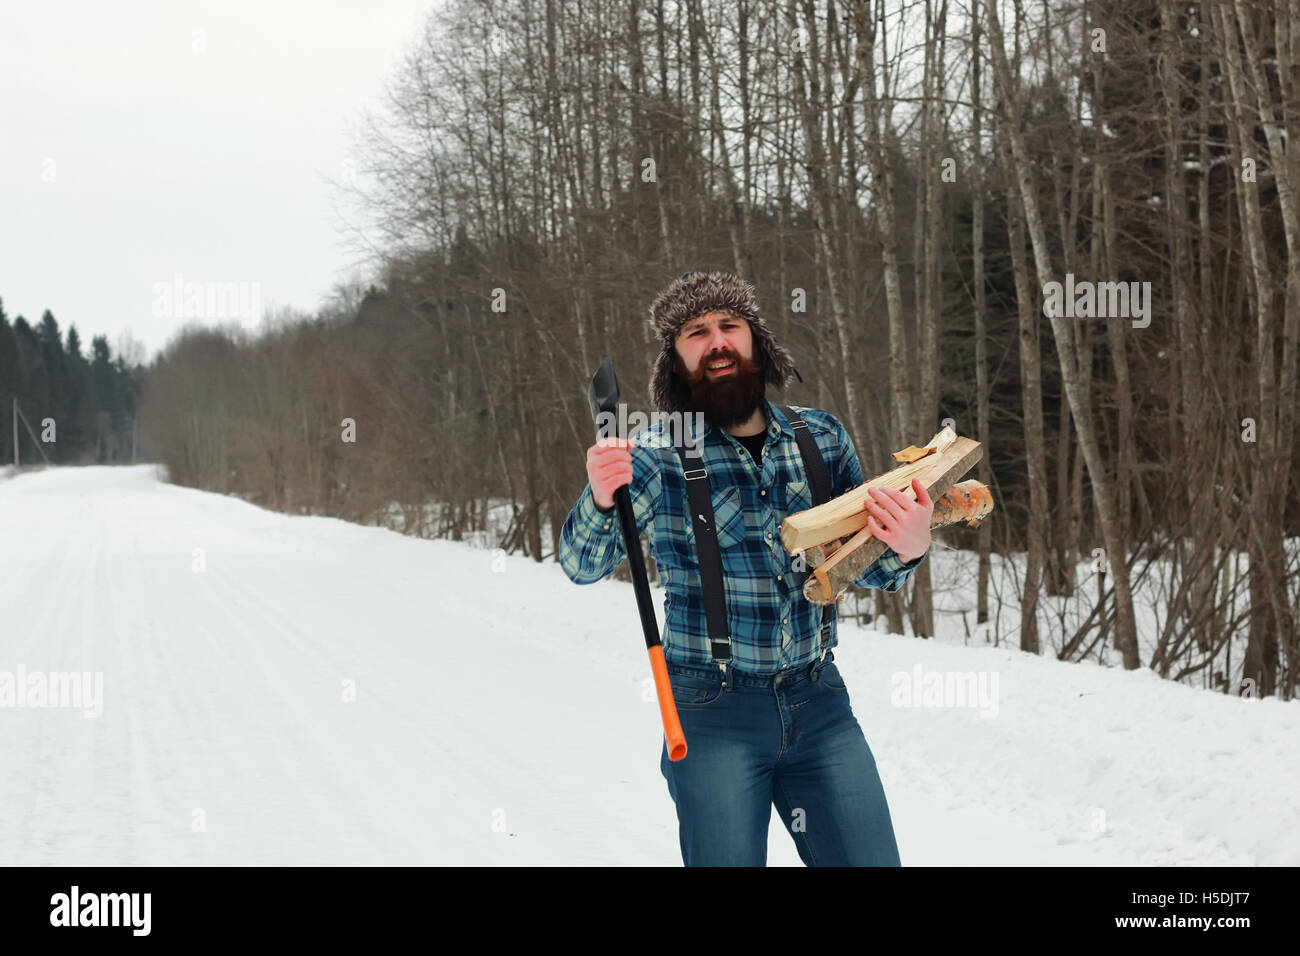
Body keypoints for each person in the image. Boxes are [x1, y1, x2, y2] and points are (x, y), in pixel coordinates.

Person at [558, 270, 933, 866]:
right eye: (695, 333)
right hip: (712, 711)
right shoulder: (654, 454)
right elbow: (581, 564)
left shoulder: (821, 438)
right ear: (675, 361)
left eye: (729, 326)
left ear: (756, 340)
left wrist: (909, 546)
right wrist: (601, 499)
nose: (716, 342)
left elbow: (863, 565)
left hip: (819, 701)